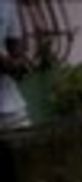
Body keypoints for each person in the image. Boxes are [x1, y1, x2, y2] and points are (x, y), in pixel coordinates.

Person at [0, 0, 30, 130]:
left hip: (8, 102)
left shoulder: (7, 3)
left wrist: (17, 62)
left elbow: (14, 43)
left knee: (25, 142)